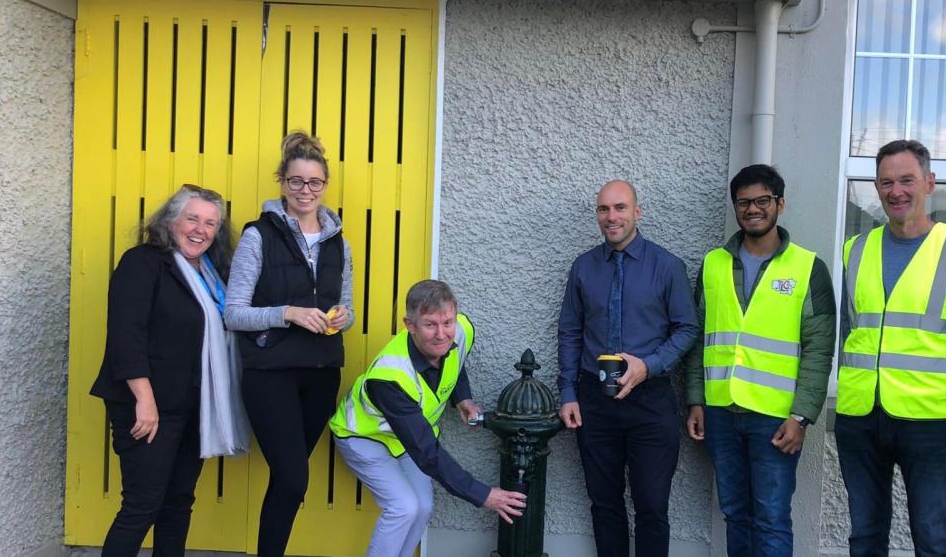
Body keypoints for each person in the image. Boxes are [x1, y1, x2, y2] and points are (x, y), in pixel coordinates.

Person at [836, 139, 946, 557]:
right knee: (865, 537)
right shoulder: (856, 249)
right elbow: (848, 329)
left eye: (907, 180)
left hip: (929, 420)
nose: (896, 191)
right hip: (860, 415)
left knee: (933, 539)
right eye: (886, 182)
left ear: (929, 182)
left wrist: (945, 385)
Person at [683, 164, 836, 556]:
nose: (753, 209)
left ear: (780, 205)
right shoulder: (713, 265)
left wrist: (802, 416)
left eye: (762, 201)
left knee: (770, 518)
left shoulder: (808, 268)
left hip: (776, 418)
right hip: (720, 412)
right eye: (744, 202)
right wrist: (695, 400)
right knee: (736, 513)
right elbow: (698, 339)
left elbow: (820, 349)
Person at [90, 184, 250, 556]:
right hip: (147, 407)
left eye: (211, 223)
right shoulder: (144, 262)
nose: (200, 230)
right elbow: (127, 336)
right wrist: (144, 401)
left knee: (178, 503)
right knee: (141, 506)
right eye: (191, 218)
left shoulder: (212, 275)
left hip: (195, 406)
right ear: (170, 221)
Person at [225, 131, 356, 557]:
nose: (306, 191)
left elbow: (348, 308)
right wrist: (288, 313)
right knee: (294, 478)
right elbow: (234, 313)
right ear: (282, 182)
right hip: (270, 373)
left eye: (314, 182)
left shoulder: (340, 242)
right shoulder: (258, 236)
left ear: (325, 185)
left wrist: (342, 318)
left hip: (321, 373)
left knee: (288, 481)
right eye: (297, 181)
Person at [329, 279, 527, 557]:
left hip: (406, 438)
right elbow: (425, 450)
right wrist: (483, 495)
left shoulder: (462, 331)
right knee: (403, 507)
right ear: (410, 325)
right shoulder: (389, 377)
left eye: (447, 322)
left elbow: (455, 359)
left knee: (422, 508)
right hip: (364, 436)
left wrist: (462, 398)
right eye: (430, 324)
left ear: (456, 313)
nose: (442, 333)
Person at [556, 179, 699, 557]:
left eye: (620, 208)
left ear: (638, 212)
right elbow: (570, 331)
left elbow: (687, 328)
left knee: (652, 507)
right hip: (594, 400)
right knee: (604, 505)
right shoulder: (584, 267)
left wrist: (649, 366)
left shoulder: (667, 266)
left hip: (650, 402)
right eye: (604, 209)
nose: (611, 216)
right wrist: (568, 393)